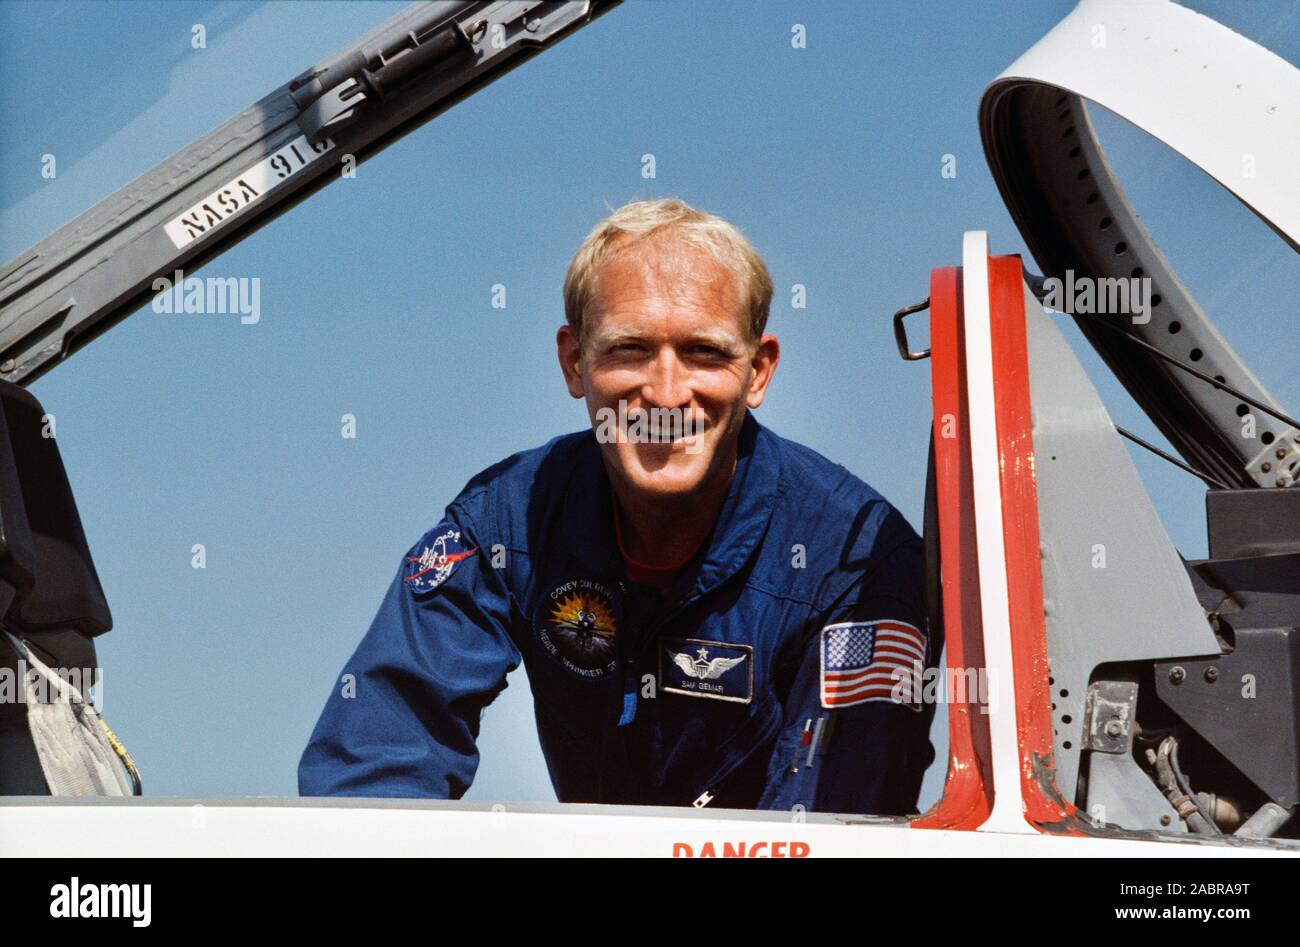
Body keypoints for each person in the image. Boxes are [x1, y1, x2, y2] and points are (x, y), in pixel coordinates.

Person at [298, 198, 938, 814]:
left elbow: (835, 820)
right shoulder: (505, 522)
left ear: (759, 371)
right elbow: (375, 764)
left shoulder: (859, 566)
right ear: (574, 362)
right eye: (629, 348)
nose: (664, 394)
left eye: (704, 352)